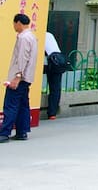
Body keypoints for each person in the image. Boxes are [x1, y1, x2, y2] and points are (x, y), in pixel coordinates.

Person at [1, 14, 39, 142]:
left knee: (10, 104)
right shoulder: (32, 37)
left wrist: (17, 76)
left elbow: (22, 58)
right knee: (23, 104)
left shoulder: (23, 37)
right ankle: (22, 132)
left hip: (20, 77)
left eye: (14, 23)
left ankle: (4, 133)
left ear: (18, 23)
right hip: (27, 77)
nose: (13, 26)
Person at [44, 30, 65, 120]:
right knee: (56, 88)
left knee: (53, 87)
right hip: (59, 61)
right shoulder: (49, 34)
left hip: (51, 62)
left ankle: (51, 112)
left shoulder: (40, 35)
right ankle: (53, 113)